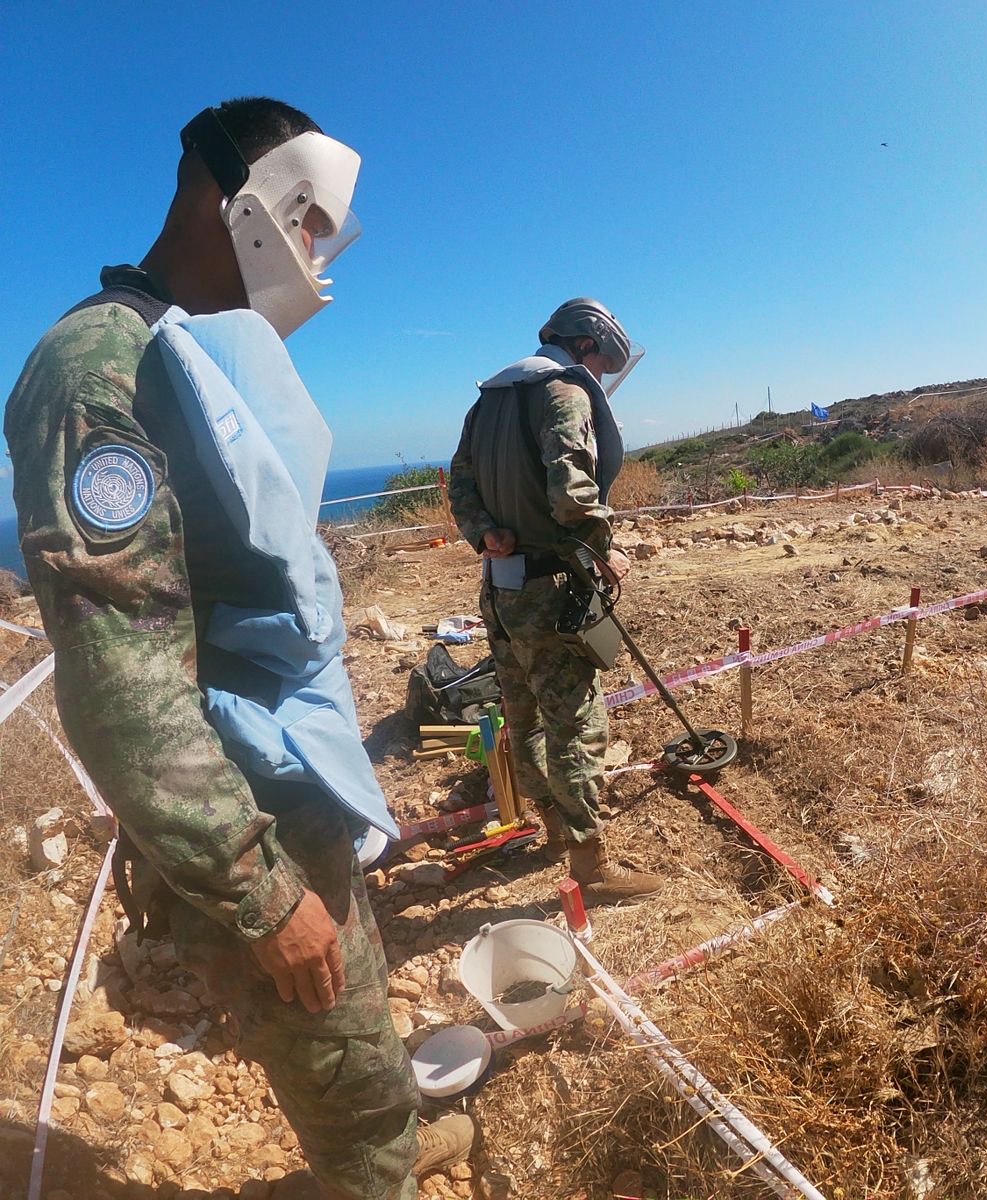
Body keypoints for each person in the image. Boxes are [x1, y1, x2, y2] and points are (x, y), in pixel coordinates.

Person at [4, 98, 472, 1198]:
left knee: (350, 1007)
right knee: (336, 1031)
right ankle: (377, 1173)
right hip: (240, 805)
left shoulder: (191, 348)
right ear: (238, 203)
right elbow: (119, 678)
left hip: (279, 776)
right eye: (308, 223)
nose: (314, 256)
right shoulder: (100, 370)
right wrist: (259, 893)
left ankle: (383, 1147)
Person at [448, 298, 665, 904]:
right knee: (575, 722)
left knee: (523, 715)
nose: (601, 377)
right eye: (603, 363)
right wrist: (604, 546)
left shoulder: (489, 398)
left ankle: (551, 830)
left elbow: (459, 482)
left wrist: (483, 533)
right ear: (589, 345)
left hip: (500, 588)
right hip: (548, 586)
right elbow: (572, 495)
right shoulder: (563, 392)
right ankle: (590, 867)